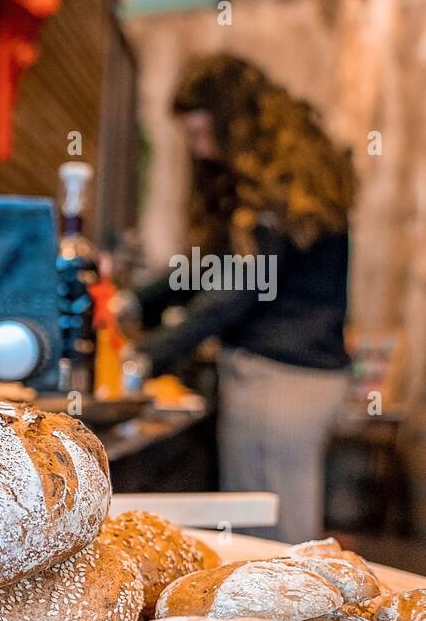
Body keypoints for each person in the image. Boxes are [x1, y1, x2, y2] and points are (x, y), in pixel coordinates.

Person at [138, 54, 357, 544]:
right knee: (279, 527)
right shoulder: (292, 179)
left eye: (203, 135)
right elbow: (208, 267)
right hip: (303, 375)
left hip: (279, 379)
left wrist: (146, 353)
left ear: (234, 123)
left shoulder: (276, 195)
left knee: (271, 539)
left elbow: (237, 288)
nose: (202, 152)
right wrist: (137, 303)